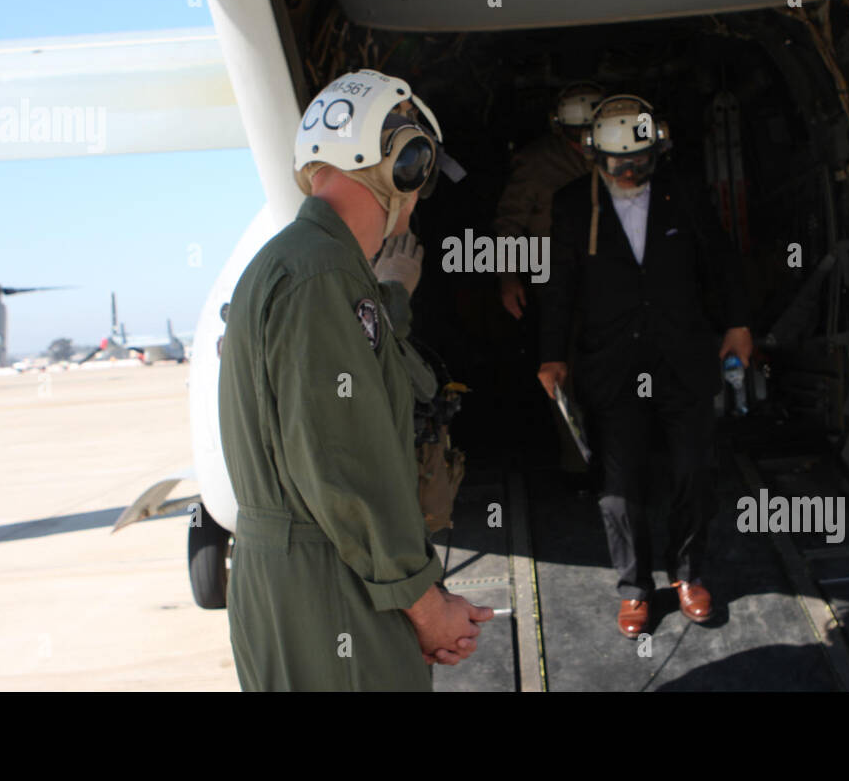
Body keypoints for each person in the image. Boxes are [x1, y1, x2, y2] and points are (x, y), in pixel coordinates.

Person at [218, 68, 493, 690]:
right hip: (333, 585)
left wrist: (389, 295)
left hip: (304, 582)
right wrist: (428, 608)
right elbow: (345, 467)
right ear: (404, 165)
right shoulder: (321, 278)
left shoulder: (300, 265)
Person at [536, 94, 752, 639]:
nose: (630, 173)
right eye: (618, 164)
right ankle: (634, 588)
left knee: (694, 470)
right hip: (612, 361)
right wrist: (552, 355)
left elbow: (720, 261)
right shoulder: (569, 205)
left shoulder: (687, 193)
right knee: (618, 485)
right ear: (594, 156)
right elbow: (558, 286)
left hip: (682, 354)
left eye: (640, 162)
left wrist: (738, 324)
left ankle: (688, 574)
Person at [494, 82, 602, 319]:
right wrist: (508, 277)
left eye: (590, 131)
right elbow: (509, 223)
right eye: (576, 134)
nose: (583, 141)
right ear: (559, 127)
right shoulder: (536, 162)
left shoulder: (615, 157)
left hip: (609, 270)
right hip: (559, 276)